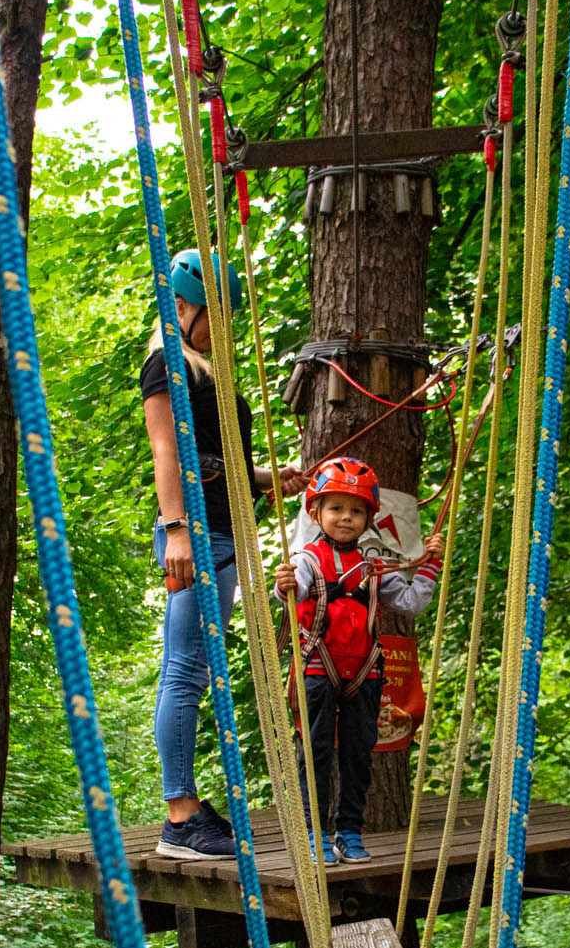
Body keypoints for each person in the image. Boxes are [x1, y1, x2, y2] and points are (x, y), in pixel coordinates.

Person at [144, 248, 305, 859]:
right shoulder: (168, 364)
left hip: (221, 532)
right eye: (217, 314)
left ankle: (185, 804)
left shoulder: (205, 370)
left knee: (196, 668)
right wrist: (177, 529)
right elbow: (169, 453)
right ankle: (179, 817)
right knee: (184, 668)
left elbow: (217, 458)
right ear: (183, 306)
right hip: (197, 534)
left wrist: (268, 477)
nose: (224, 326)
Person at [272, 457, 442, 863]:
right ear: (316, 512)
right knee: (315, 751)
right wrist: (284, 587)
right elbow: (293, 591)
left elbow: (410, 601)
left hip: (364, 670)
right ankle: (315, 832)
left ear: (369, 519)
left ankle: (349, 831)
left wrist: (431, 563)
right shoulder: (307, 560)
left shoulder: (374, 565)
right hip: (319, 666)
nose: (345, 518)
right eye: (336, 509)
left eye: (356, 511)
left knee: (358, 752)